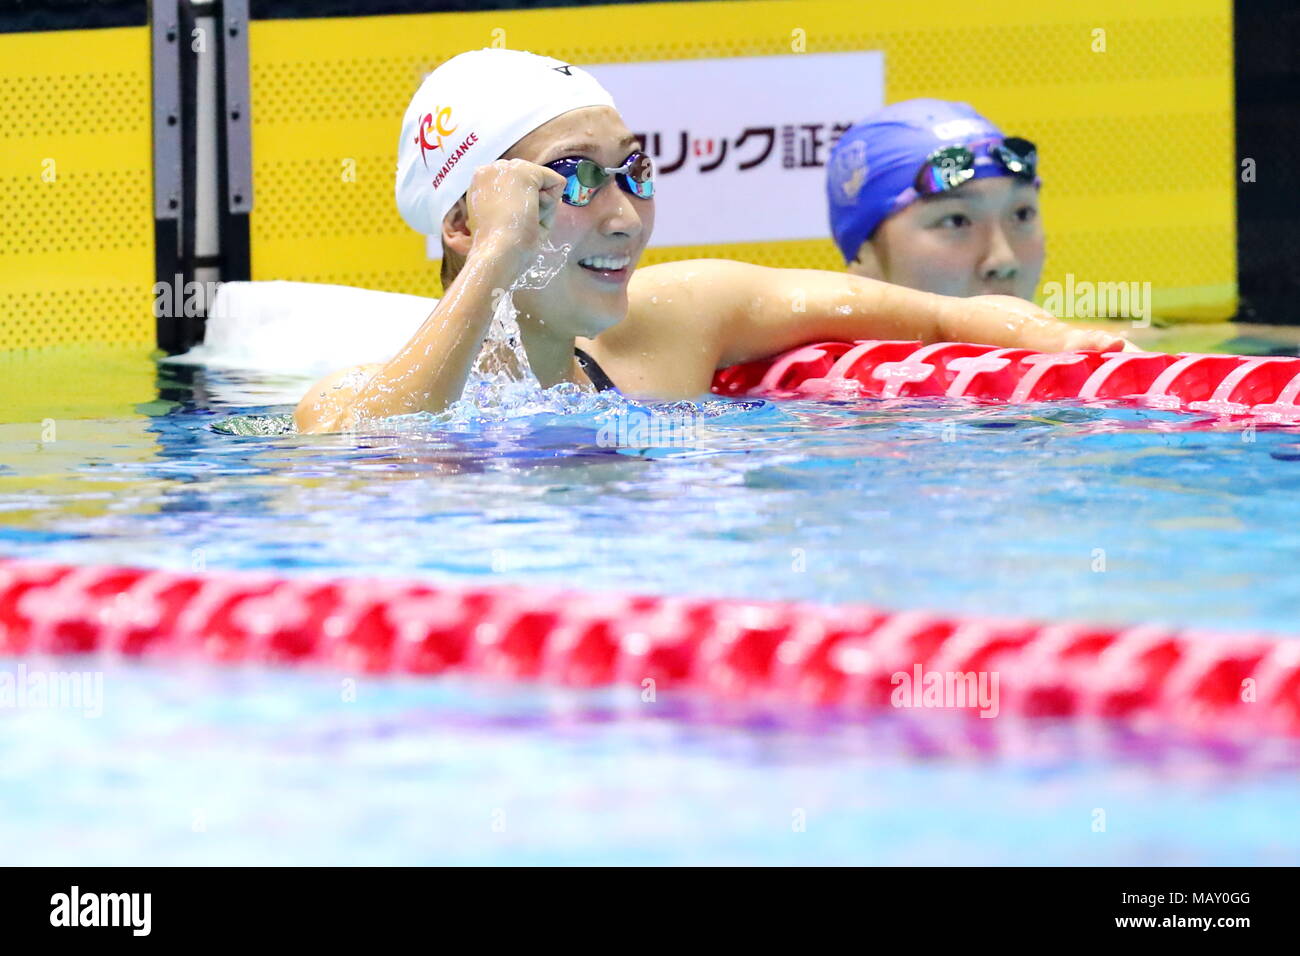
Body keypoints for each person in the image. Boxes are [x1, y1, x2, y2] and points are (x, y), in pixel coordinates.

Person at [294, 50, 1129, 434]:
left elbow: (940, 321)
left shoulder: (670, 325)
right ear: (465, 218)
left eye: (634, 170)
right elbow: (376, 452)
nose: (623, 215)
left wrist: (1065, 344)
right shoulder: (344, 404)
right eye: (572, 180)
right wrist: (495, 259)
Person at [826, 99, 1045, 301]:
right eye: (956, 221)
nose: (1004, 261)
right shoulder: (808, 343)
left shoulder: (1070, 342)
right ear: (862, 253)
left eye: (1022, 215)